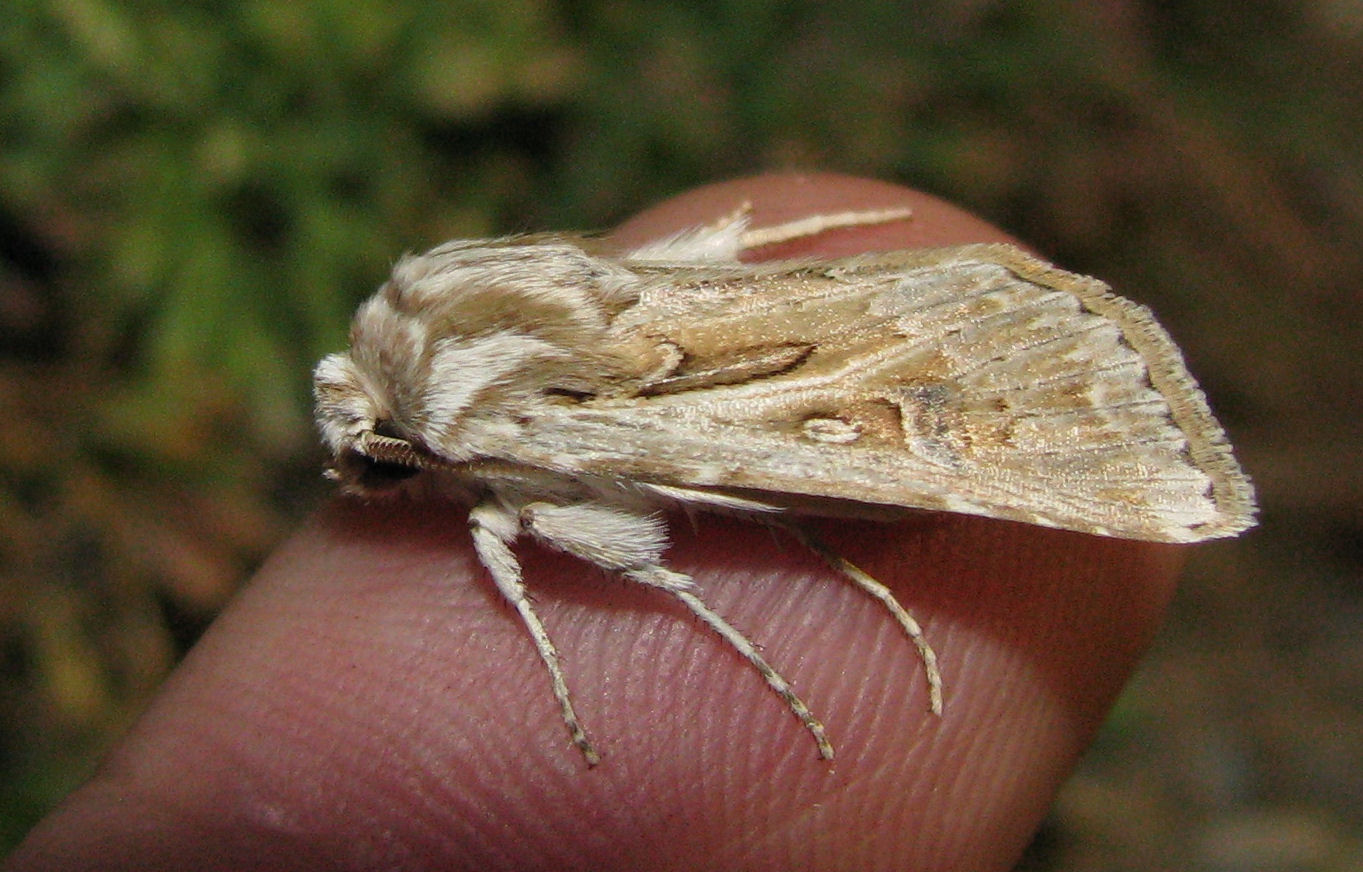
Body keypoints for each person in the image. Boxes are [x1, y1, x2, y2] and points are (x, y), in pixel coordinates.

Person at [5, 173, 1182, 871]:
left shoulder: (485, 431)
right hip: (745, 304)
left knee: (591, 521)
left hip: (833, 405)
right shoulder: (426, 294)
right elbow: (658, 259)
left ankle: (1071, 420)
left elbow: (645, 549)